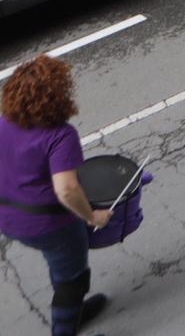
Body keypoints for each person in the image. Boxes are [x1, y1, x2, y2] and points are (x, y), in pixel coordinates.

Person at [1, 56, 114, 335]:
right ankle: (64, 326)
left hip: (8, 218)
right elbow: (66, 190)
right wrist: (92, 216)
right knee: (73, 280)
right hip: (50, 225)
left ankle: (72, 311)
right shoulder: (60, 135)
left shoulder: (3, 123)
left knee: (60, 265)